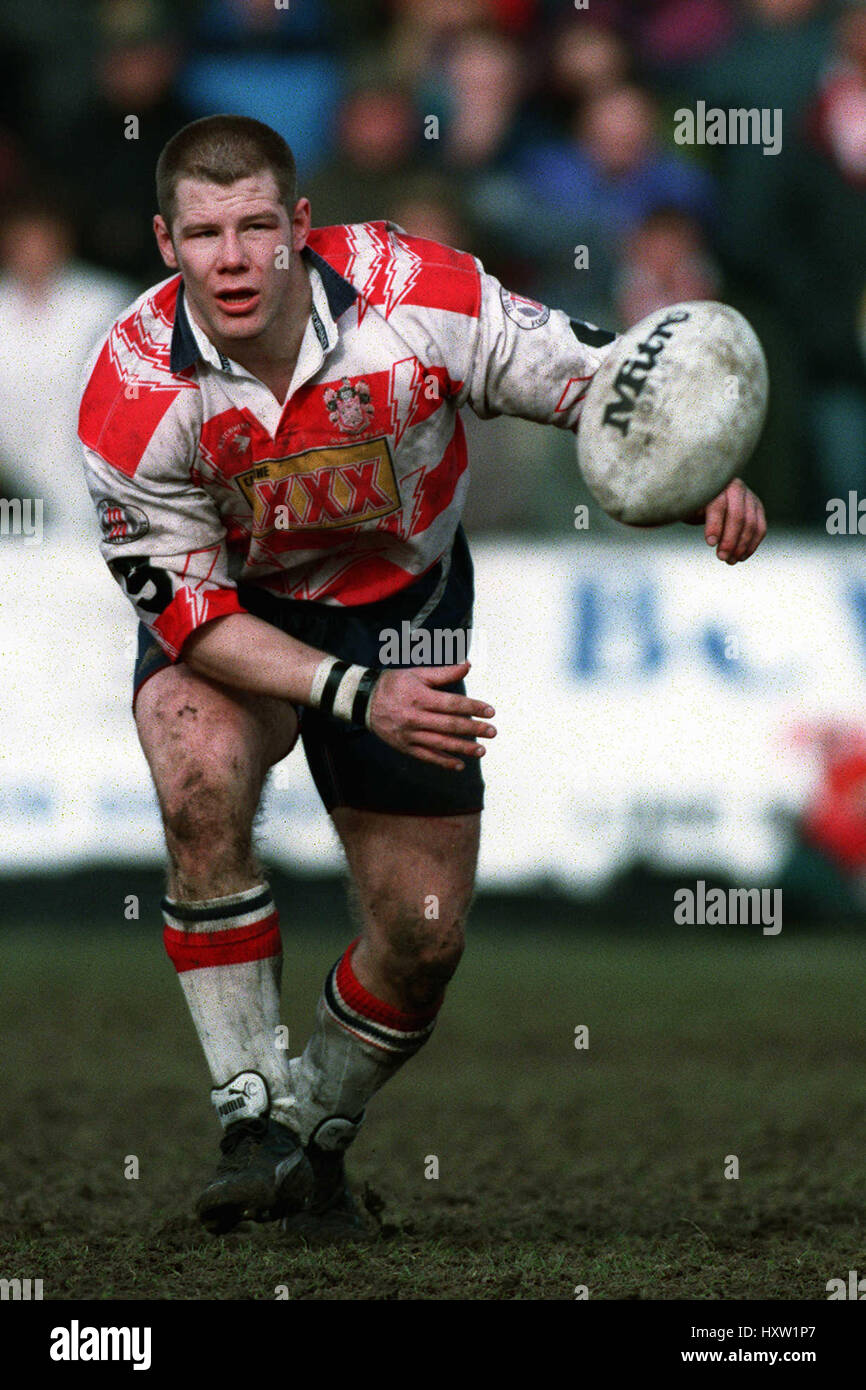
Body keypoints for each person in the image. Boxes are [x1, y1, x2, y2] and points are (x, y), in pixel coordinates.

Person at [77, 114, 767, 1237]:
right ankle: (249, 1117)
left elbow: (593, 376)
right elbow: (192, 614)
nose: (235, 257)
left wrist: (689, 473)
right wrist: (351, 695)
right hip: (242, 621)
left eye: (258, 225)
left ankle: (309, 1143)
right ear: (167, 243)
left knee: (423, 934)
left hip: (401, 613)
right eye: (206, 234)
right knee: (196, 768)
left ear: (301, 225)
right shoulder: (127, 393)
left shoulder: (419, 291)